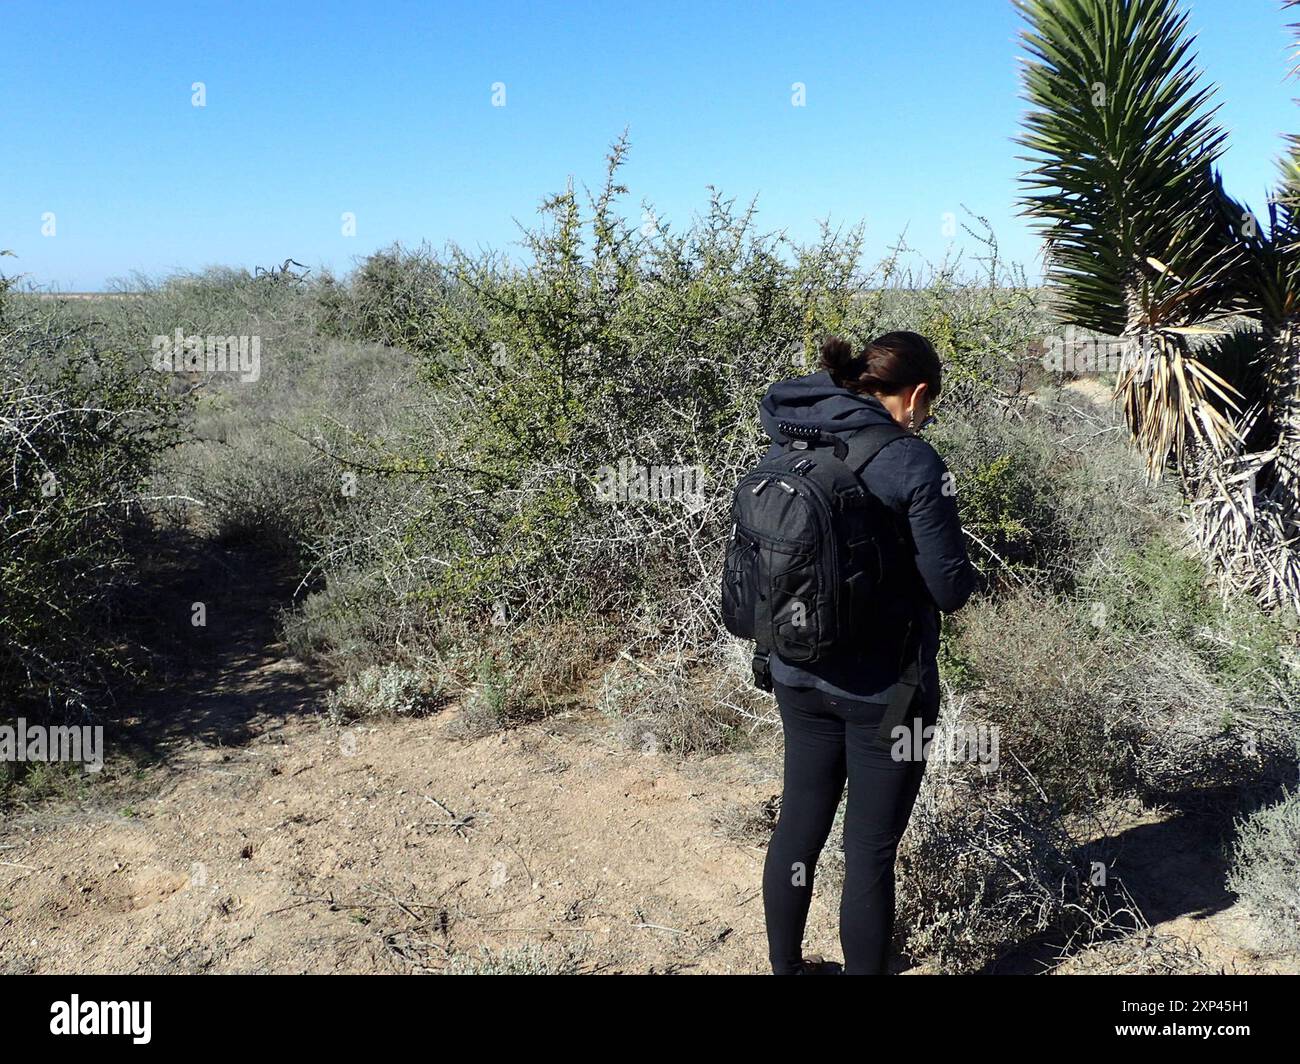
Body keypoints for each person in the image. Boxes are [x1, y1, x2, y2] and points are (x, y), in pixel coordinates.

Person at [758, 331, 977, 975]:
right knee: (870, 853)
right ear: (914, 395)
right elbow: (949, 589)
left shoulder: (795, 435)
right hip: (887, 692)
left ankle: (786, 969)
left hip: (796, 670)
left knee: (798, 827)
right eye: (928, 404)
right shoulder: (914, 460)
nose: (927, 416)